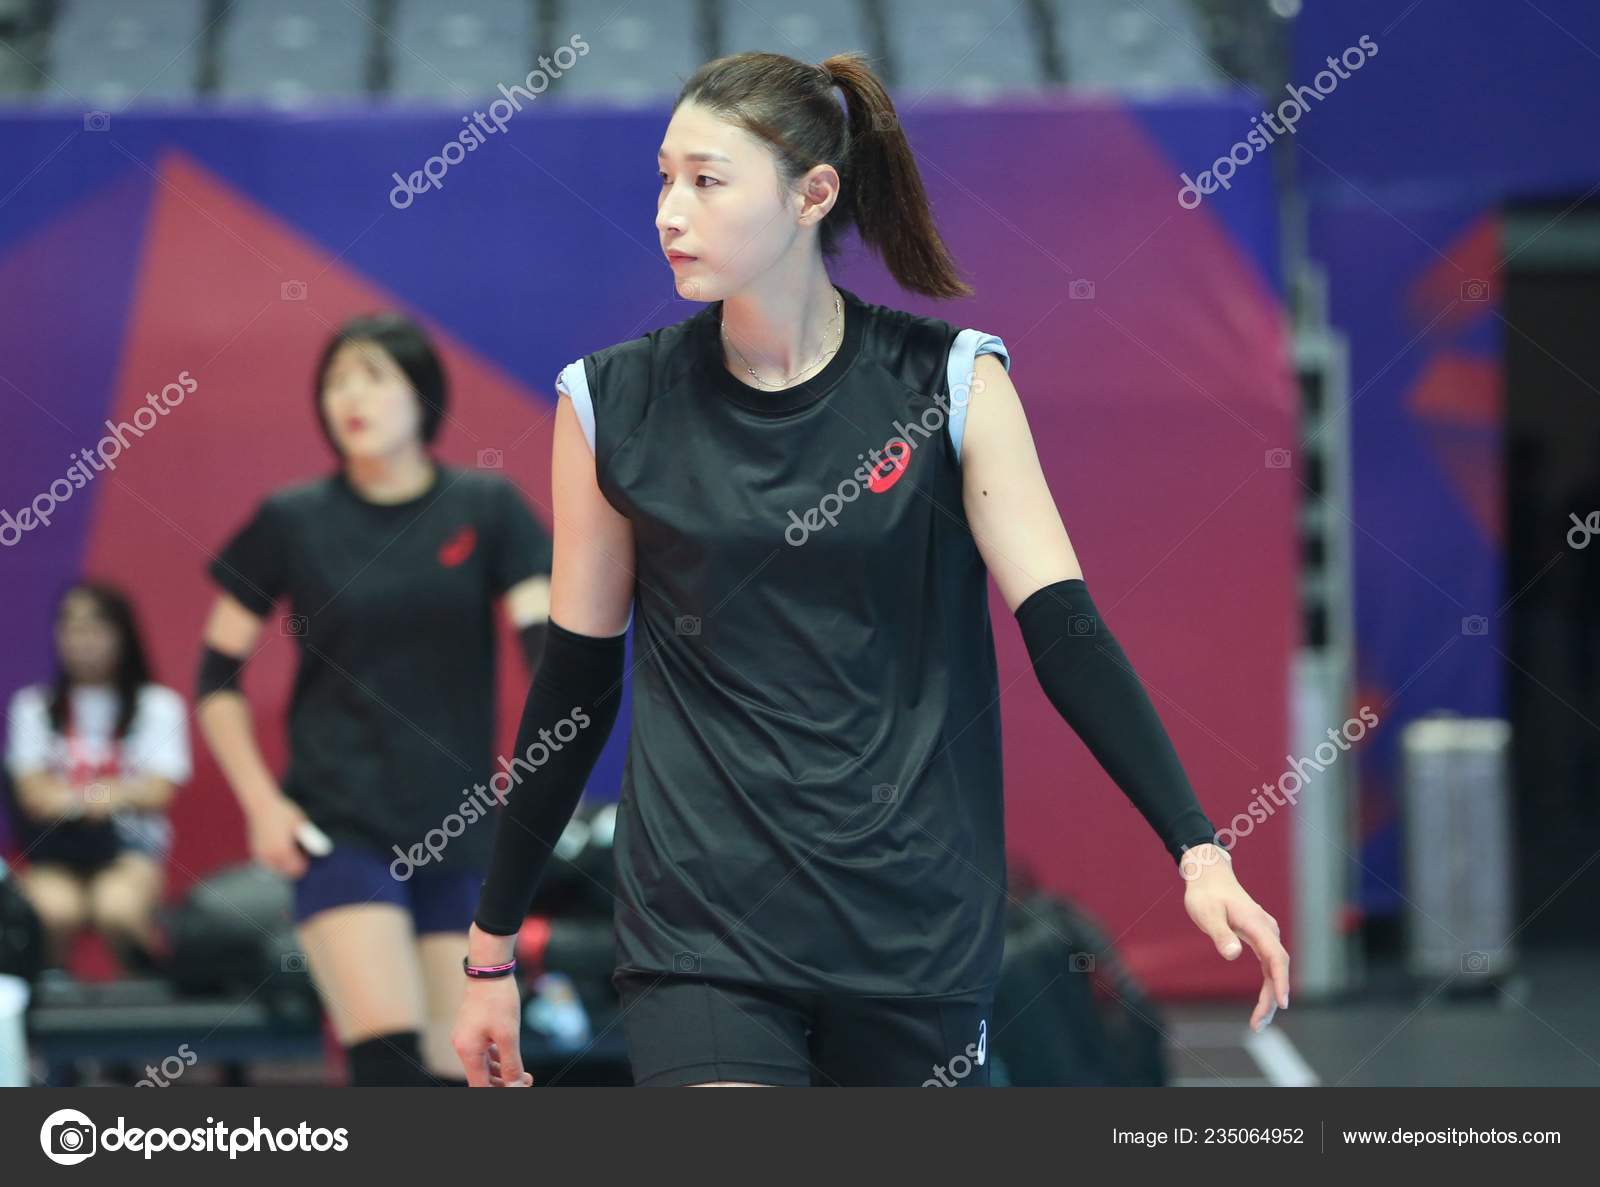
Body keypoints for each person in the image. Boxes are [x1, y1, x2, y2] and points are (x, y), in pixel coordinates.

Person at [454, 50, 1290, 1089]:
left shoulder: (951, 382)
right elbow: (574, 688)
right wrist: (492, 942)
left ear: (812, 194)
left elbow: (1065, 630)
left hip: (911, 929)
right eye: (664, 175)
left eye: (707, 181)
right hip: (702, 935)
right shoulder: (607, 404)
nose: (671, 209)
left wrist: (1196, 849)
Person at [197, 313, 553, 1086]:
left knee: (463, 1067)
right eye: (335, 380)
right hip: (339, 820)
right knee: (389, 1064)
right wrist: (263, 805)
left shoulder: (486, 507)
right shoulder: (292, 519)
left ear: (422, 394)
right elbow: (214, 680)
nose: (349, 397)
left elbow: (553, 652)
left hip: (458, 821)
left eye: (373, 376)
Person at [4, 581, 189, 973]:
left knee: (117, 908)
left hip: (129, 851)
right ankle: (49, 1008)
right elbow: (32, 794)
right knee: (48, 911)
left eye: (94, 627)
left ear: (122, 633)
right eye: (70, 627)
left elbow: (158, 791)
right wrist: (107, 796)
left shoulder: (158, 706)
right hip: (56, 852)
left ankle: (143, 1003)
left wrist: (71, 796)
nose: (81, 640)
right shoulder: (33, 708)